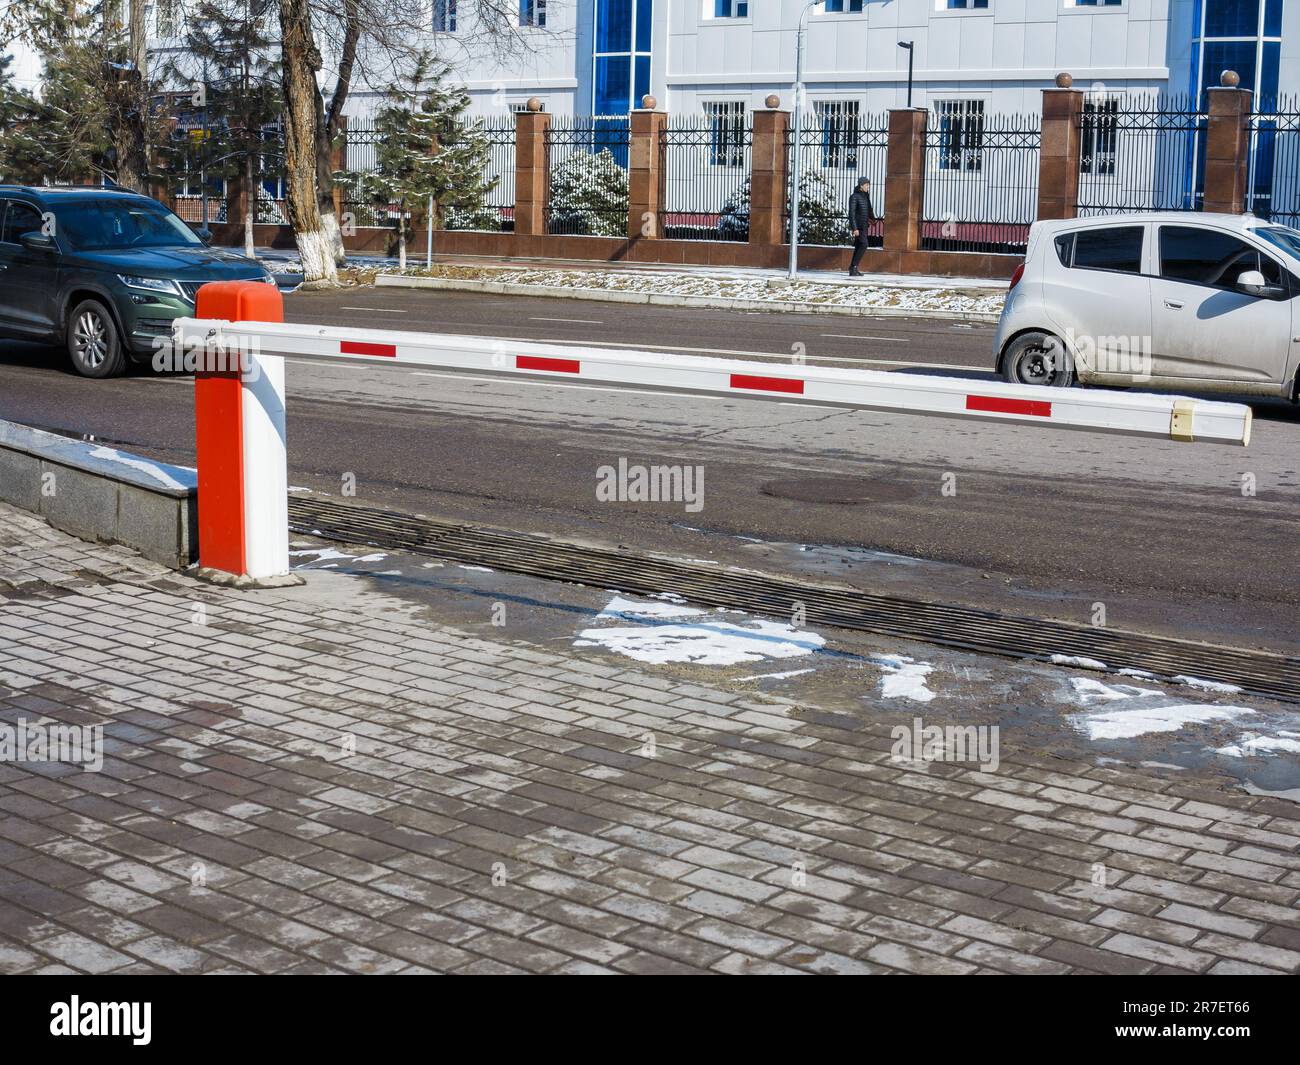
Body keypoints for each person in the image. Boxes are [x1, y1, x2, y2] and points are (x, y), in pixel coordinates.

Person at [847, 177, 876, 277]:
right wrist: (854, 228)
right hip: (858, 226)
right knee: (864, 244)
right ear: (861, 185)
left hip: (864, 225)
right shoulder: (854, 197)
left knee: (859, 246)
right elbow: (851, 213)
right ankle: (853, 267)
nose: (868, 187)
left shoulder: (866, 196)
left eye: (868, 185)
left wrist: (872, 219)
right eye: (866, 185)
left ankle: (853, 268)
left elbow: (869, 209)